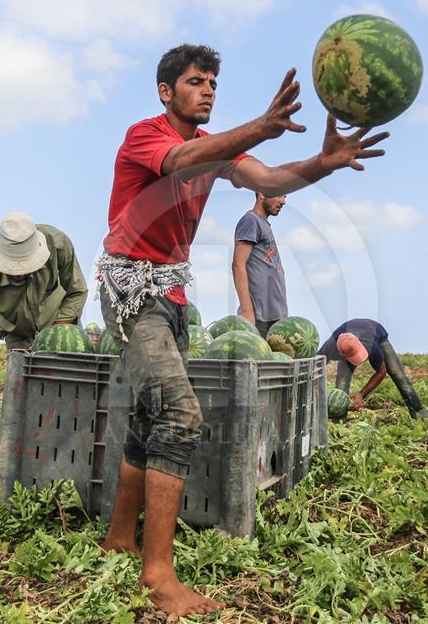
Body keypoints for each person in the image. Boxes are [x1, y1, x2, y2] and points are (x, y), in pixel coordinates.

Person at [96, 43, 389, 617]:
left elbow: (271, 173)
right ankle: (157, 576)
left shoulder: (217, 149)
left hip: (172, 292)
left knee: (149, 417)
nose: (207, 90)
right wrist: (260, 126)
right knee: (181, 416)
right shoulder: (145, 136)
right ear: (166, 91)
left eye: (212, 83)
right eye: (195, 82)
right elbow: (181, 162)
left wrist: (320, 164)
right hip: (130, 291)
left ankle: (119, 539)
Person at [0, 213, 88, 430]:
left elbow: (77, 291)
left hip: (59, 321)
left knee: (67, 394)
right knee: (24, 398)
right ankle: (31, 444)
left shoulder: (57, 244)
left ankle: (68, 437)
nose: (19, 276)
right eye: (12, 271)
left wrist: (56, 334)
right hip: (17, 332)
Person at [318, 318, 428, 420]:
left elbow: (382, 371)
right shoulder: (330, 347)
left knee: (398, 375)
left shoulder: (370, 345)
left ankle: (420, 414)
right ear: (340, 354)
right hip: (346, 342)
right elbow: (315, 366)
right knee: (341, 384)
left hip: (377, 334)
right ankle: (338, 420)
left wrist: (361, 394)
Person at [232, 192, 288, 337]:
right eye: (279, 194)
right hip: (258, 317)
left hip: (274, 315)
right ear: (261, 193)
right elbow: (238, 264)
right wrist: (247, 310)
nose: (283, 201)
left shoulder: (263, 223)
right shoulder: (251, 220)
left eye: (285, 196)